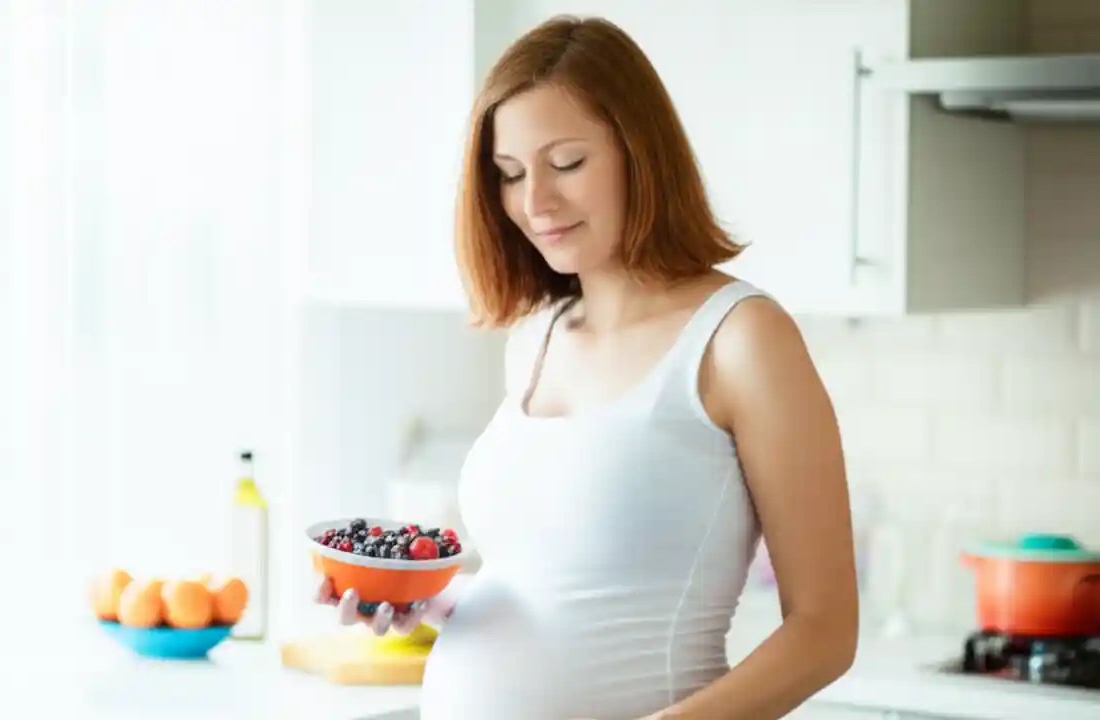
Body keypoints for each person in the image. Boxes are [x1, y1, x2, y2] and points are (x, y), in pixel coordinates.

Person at [315, 14, 858, 720]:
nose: (534, 203)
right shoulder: (534, 340)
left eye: (566, 163)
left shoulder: (740, 339)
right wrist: (428, 601)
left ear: (641, 153)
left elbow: (825, 632)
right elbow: (555, 590)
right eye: (509, 175)